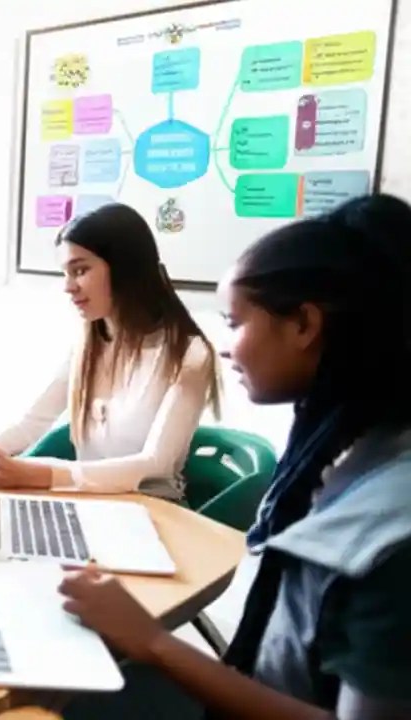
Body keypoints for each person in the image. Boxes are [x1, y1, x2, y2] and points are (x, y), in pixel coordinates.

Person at [59, 193, 411, 719]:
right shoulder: (344, 446)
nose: (225, 347)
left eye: (234, 322)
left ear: (304, 325)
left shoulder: (391, 529)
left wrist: (152, 640)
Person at [0, 203, 220, 501]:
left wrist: (44, 474)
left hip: (152, 510)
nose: (68, 287)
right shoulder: (89, 342)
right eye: (65, 273)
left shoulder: (189, 354)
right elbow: (32, 424)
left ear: (124, 268)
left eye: (80, 270)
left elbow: (155, 465)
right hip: (91, 503)